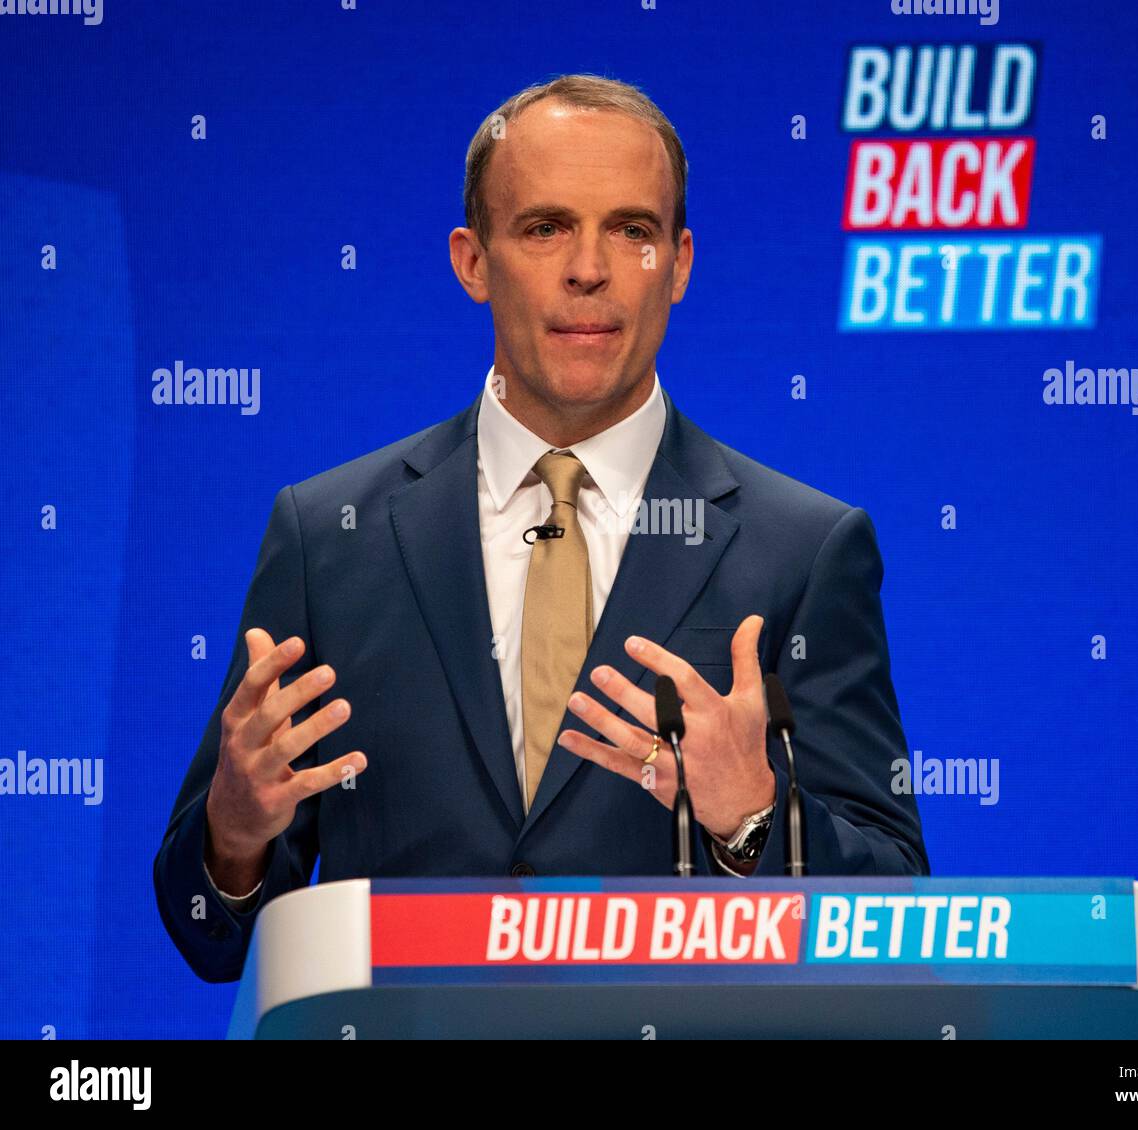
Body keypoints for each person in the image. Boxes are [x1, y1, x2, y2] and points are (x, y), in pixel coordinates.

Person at [154, 74, 928, 984]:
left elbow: (895, 919)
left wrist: (751, 816)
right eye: (545, 227)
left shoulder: (803, 547)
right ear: (472, 260)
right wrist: (234, 834)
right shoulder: (329, 536)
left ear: (679, 264)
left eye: (632, 231)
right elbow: (210, 932)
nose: (589, 268)